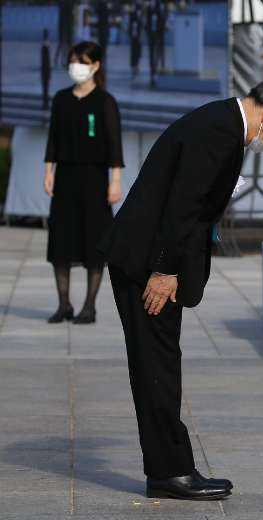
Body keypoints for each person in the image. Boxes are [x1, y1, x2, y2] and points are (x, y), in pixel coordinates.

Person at [98, 78, 263, 500]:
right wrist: (164, 270)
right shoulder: (219, 131)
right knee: (156, 368)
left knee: (161, 365)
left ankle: (172, 466)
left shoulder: (220, 122)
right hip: (148, 265)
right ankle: (168, 473)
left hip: (149, 259)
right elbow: (183, 206)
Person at [44, 41, 124, 325]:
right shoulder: (61, 98)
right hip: (65, 176)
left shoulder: (105, 101)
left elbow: (115, 145)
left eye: (82, 61)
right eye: (73, 61)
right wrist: (49, 171)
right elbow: (53, 138)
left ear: (96, 66)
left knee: (94, 241)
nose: (76, 67)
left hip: (95, 179)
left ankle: (89, 307)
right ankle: (63, 303)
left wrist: (115, 181)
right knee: (61, 240)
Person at [41, 29, 52, 110]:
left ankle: (45, 104)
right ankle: (45, 104)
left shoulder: (44, 46)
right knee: (46, 88)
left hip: (45, 71)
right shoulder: (46, 46)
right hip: (46, 71)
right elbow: (47, 61)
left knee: (45, 88)